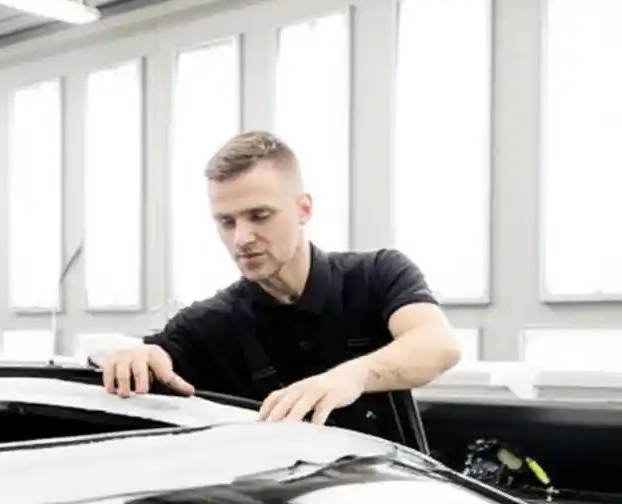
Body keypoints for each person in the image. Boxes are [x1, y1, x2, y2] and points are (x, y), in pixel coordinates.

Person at [101, 130, 461, 427]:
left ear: (303, 209)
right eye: (226, 222)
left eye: (259, 215)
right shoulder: (209, 324)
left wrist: (351, 377)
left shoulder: (378, 274)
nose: (241, 238)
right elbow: (148, 356)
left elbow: (438, 345)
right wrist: (134, 355)